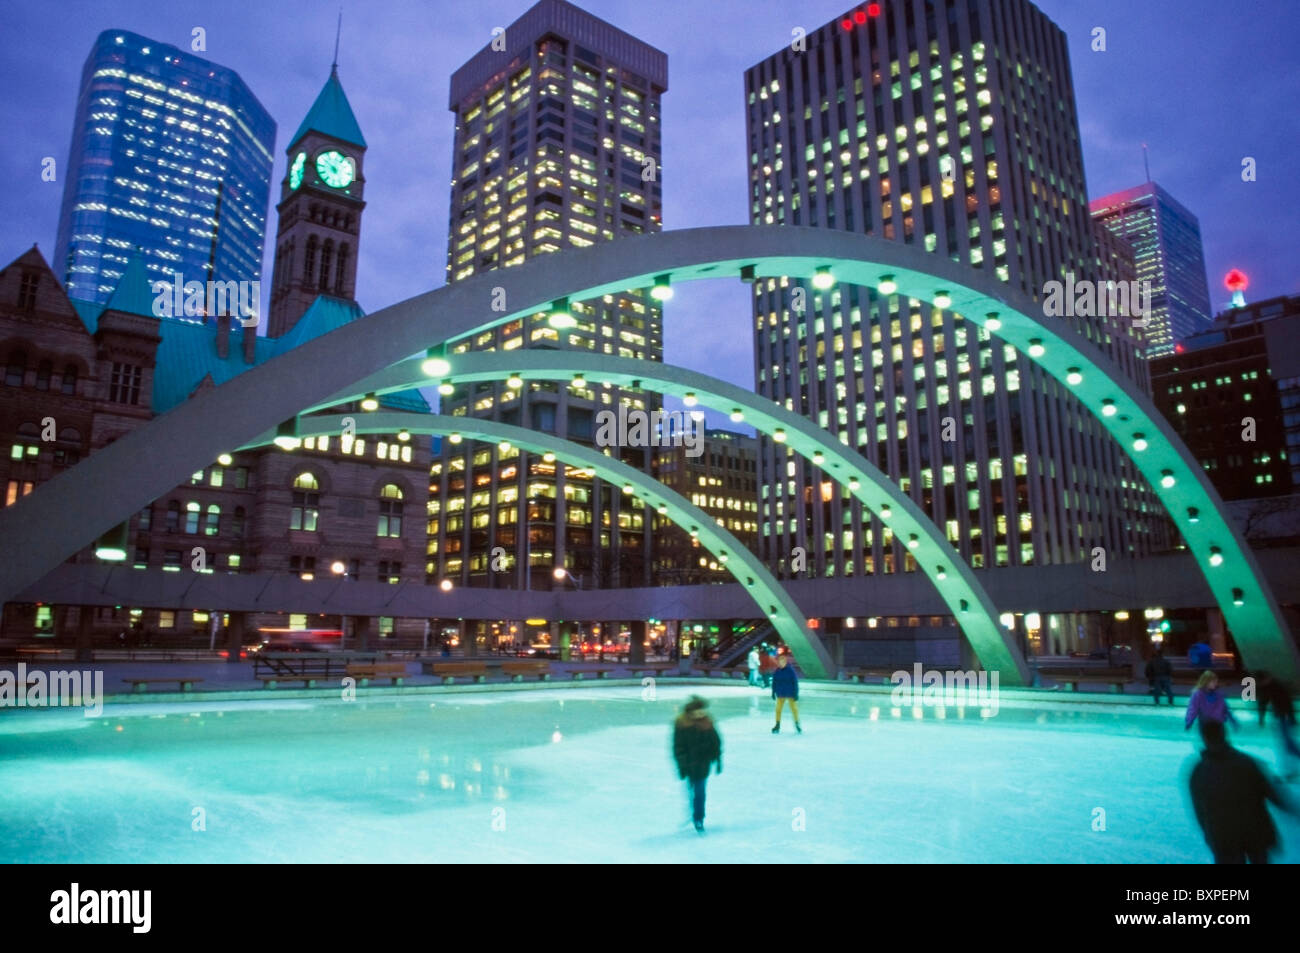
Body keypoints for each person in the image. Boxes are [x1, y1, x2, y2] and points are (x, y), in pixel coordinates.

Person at [1189, 720, 1294, 864]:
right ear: (1224, 734)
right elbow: (1273, 794)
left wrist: (1211, 837)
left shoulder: (1199, 773)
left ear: (1204, 738)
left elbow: (1200, 812)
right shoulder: (1247, 762)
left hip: (1224, 839)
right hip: (1255, 834)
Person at [672, 696, 722, 833]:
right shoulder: (682, 725)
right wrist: (681, 766)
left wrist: (718, 759)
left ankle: (699, 818)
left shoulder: (708, 723)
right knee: (692, 791)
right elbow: (678, 747)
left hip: (703, 764)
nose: (701, 713)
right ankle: (695, 811)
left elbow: (716, 742)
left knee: (700, 792)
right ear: (691, 712)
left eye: (702, 711)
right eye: (698, 711)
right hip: (689, 764)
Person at [1256, 671, 1300, 779]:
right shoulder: (1271, 687)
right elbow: (1263, 703)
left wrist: (1261, 718)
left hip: (1282, 718)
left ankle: (1288, 770)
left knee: (1287, 744)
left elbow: (1285, 703)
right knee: (1286, 744)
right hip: (1281, 718)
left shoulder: (1275, 688)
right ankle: (1288, 770)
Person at [771, 654, 801, 733]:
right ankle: (777, 725)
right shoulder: (777, 671)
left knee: (794, 709)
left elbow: (795, 682)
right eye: (779, 662)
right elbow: (774, 682)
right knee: (778, 710)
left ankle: (797, 723)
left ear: (785, 662)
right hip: (780, 693)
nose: (780, 664)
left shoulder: (790, 670)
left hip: (790, 693)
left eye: (782, 662)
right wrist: (773, 692)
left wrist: (796, 693)